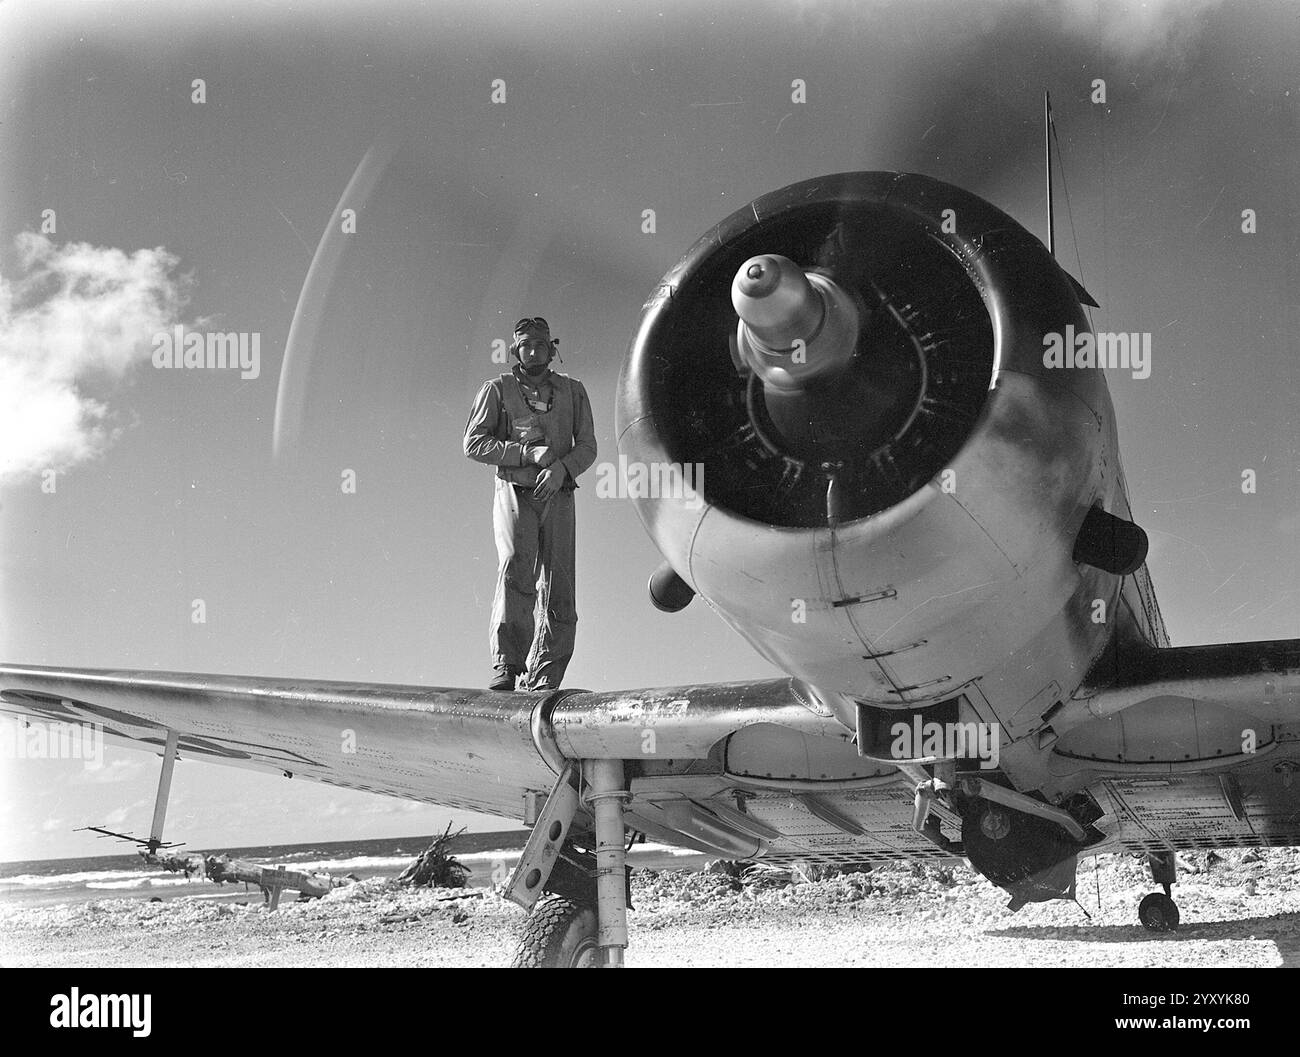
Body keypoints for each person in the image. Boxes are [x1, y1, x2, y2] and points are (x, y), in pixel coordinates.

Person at [463, 317, 597, 691]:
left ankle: (546, 677)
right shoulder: (497, 389)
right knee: (516, 571)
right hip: (515, 493)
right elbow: (474, 443)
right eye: (526, 346)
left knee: (560, 587)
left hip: (559, 495)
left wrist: (563, 470)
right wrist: (524, 453)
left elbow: (587, 445)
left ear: (552, 350)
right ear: (514, 351)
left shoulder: (573, 391)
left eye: (541, 345)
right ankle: (508, 665)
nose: (534, 352)